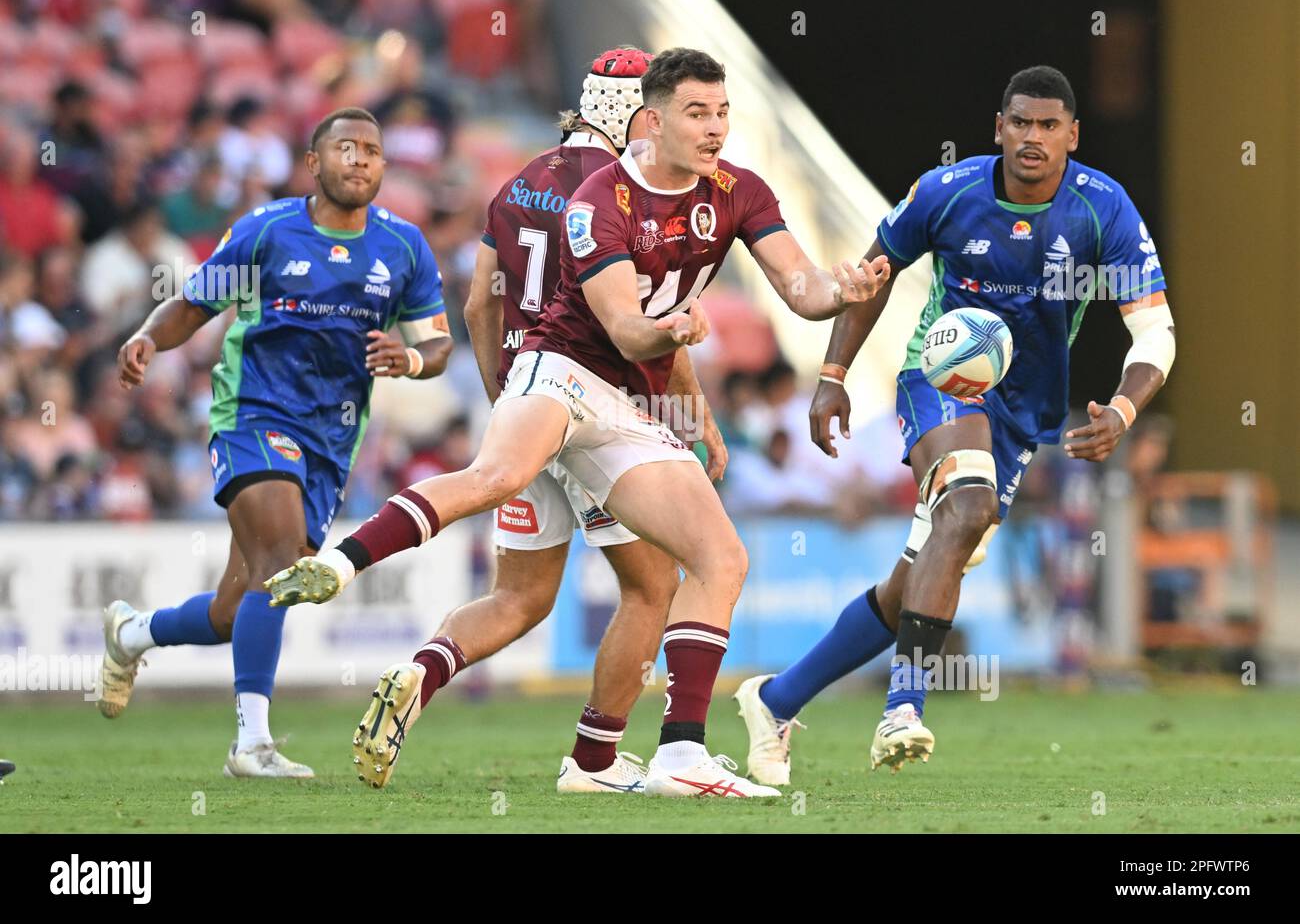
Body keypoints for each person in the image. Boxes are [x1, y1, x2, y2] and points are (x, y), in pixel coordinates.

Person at [265, 47, 889, 798]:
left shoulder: (578, 184)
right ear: (643, 117)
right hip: (569, 376)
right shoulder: (599, 197)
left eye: (723, 112)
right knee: (642, 581)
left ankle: (662, 754)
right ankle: (587, 753)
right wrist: (677, 373)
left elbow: (484, 307)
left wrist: (840, 287)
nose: (717, 127)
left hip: (575, 395)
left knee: (621, 573)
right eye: (698, 112)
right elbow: (634, 328)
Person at [735, 65, 1175, 783]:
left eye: (1048, 126)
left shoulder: (1105, 209)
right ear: (998, 127)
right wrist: (832, 377)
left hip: (1020, 411)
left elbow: (1156, 333)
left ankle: (776, 701)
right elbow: (871, 277)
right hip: (939, 379)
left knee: (914, 578)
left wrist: (1123, 409)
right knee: (965, 507)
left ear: (1071, 135)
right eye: (1020, 123)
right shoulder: (946, 191)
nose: (1032, 138)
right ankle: (904, 708)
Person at [98, 108, 454, 779]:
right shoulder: (269, 232)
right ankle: (252, 745)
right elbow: (194, 304)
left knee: (241, 607)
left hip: (331, 438)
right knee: (284, 558)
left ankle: (131, 633)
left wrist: (410, 360)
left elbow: (437, 342)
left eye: (373, 151)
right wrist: (148, 336)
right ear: (313, 163)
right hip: (253, 413)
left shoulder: (404, 247)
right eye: (345, 148)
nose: (361, 160)